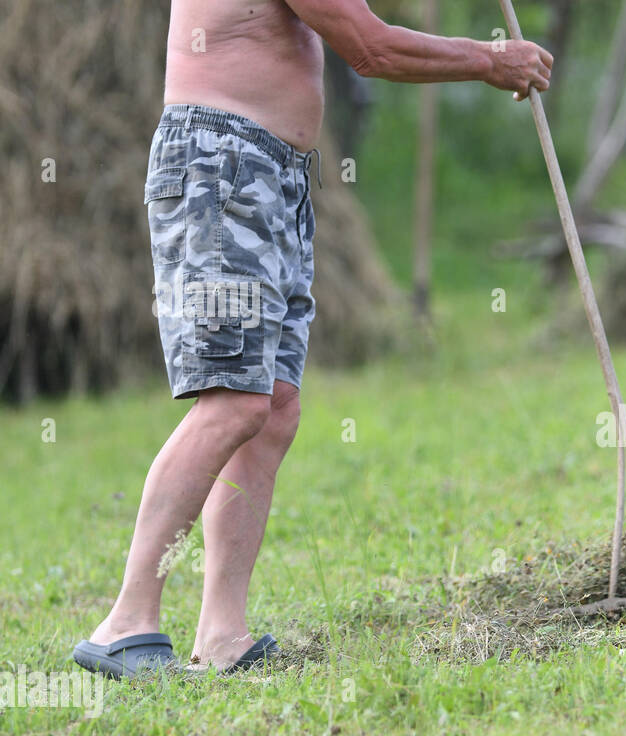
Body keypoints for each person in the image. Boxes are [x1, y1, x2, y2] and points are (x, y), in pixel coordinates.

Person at [73, 0, 553, 677]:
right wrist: (489, 59)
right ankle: (126, 621)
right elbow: (369, 46)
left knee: (270, 406)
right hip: (222, 169)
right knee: (233, 401)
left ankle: (223, 636)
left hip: (273, 172)